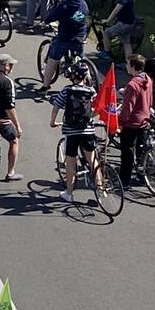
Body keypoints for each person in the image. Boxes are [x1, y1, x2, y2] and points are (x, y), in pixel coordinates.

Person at [49, 58, 98, 202]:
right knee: (93, 160)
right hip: (88, 130)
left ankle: (69, 193)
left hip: (71, 131)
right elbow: (95, 110)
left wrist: (52, 122)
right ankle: (101, 190)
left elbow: (56, 106)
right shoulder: (91, 91)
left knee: (70, 161)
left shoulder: (67, 90)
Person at [40, 0, 90, 89]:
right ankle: (89, 81)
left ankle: (45, 86)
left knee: (53, 60)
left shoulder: (65, 5)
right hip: (80, 37)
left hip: (65, 38)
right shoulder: (84, 4)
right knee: (80, 61)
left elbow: (52, 16)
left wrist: (45, 22)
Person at [118, 53, 153, 185]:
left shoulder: (133, 84)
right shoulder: (148, 79)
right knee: (141, 151)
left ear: (133, 66)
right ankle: (141, 177)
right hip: (145, 120)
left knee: (127, 153)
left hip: (132, 123)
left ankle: (124, 181)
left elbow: (128, 107)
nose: (126, 66)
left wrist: (121, 121)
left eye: (128, 64)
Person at [103, 0, 137, 68]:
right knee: (126, 42)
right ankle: (129, 64)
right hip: (129, 22)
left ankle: (106, 54)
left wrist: (107, 20)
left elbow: (116, 10)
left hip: (124, 23)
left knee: (106, 33)